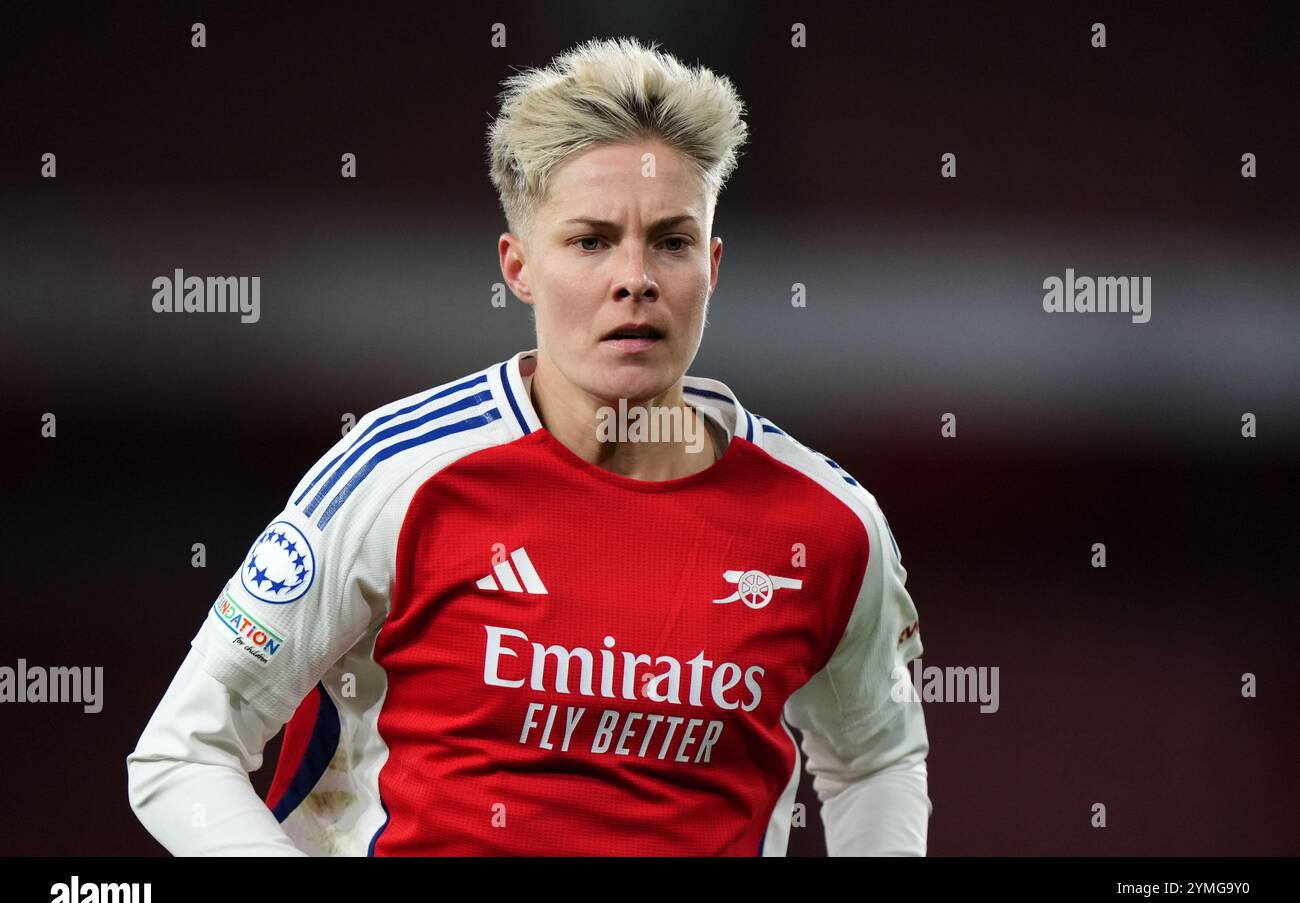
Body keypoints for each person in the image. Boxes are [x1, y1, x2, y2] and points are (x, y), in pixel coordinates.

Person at [127, 35, 931, 856]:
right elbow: (183, 750)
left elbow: (877, 759)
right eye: (590, 241)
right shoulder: (398, 474)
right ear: (518, 267)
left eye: (672, 241)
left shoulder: (829, 525)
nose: (636, 278)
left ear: (713, 265)